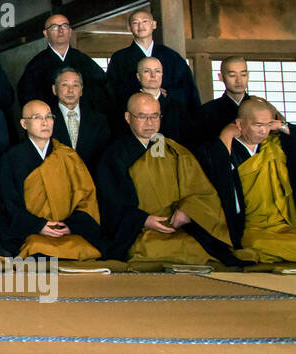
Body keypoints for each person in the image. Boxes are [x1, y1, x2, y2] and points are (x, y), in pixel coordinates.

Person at [97, 93, 241, 266]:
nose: (149, 123)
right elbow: (110, 203)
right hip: (139, 230)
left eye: (155, 116)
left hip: (178, 227)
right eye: (142, 116)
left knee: (200, 250)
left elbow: (201, 191)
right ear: (128, 118)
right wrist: (143, 219)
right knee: (151, 251)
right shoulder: (114, 155)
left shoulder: (175, 151)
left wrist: (188, 210)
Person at [197, 97, 296, 266]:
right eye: (258, 125)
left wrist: (281, 126)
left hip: (279, 225)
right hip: (249, 227)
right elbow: (219, 177)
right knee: (256, 245)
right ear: (240, 124)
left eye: (267, 125)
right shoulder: (227, 148)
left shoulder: (273, 146)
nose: (263, 131)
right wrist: (226, 137)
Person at [0, 101, 104, 260]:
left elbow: (86, 196)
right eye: (37, 117)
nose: (45, 122)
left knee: (85, 249)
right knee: (36, 249)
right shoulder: (11, 158)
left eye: (49, 117)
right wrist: (39, 226)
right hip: (31, 232)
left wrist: (70, 225)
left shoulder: (68, 156)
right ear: (24, 124)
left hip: (67, 231)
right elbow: (8, 203)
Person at [106, 8, 199, 117]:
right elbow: (112, 90)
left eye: (145, 21)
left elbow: (187, 87)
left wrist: (163, 93)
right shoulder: (119, 58)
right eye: (135, 23)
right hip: (135, 115)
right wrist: (143, 91)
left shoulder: (171, 56)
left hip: (169, 113)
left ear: (154, 24)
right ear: (129, 28)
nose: (141, 26)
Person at [16, 13, 109, 112]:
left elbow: (102, 90)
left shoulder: (84, 60)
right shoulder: (36, 64)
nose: (60, 30)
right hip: (51, 122)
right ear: (46, 34)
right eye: (54, 27)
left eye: (65, 26)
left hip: (83, 120)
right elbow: (27, 97)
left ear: (70, 31)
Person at [49, 67, 111, 175]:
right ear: (54, 89)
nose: (71, 90)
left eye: (75, 85)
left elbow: (105, 159)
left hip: (92, 181)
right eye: (65, 85)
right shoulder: (45, 119)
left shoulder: (99, 121)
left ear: (81, 90)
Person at [128, 56, 192, 147]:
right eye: (147, 71)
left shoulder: (177, 107)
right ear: (138, 76)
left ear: (162, 75)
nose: (153, 75)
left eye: (157, 71)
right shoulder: (129, 105)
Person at [195, 57, 250, 145]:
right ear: (221, 77)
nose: (239, 80)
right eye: (232, 75)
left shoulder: (261, 108)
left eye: (243, 75)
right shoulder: (207, 111)